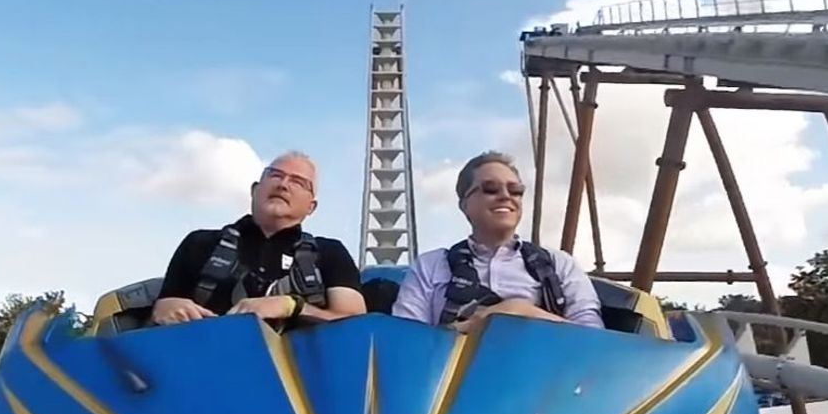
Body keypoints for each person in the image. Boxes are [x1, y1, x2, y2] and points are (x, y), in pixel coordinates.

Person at [392, 151, 602, 333]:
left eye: (515, 191)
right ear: (464, 204)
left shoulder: (559, 265)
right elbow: (406, 339)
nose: (505, 196)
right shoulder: (431, 266)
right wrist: (470, 327)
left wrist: (521, 312)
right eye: (491, 189)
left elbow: (595, 338)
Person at [152, 151, 367, 326]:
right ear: (255, 190)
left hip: (298, 374)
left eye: (298, 182)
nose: (283, 185)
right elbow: (163, 308)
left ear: (311, 206)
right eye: (275, 175)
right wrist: (167, 308)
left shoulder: (331, 253)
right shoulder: (200, 243)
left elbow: (355, 322)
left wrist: (291, 307)